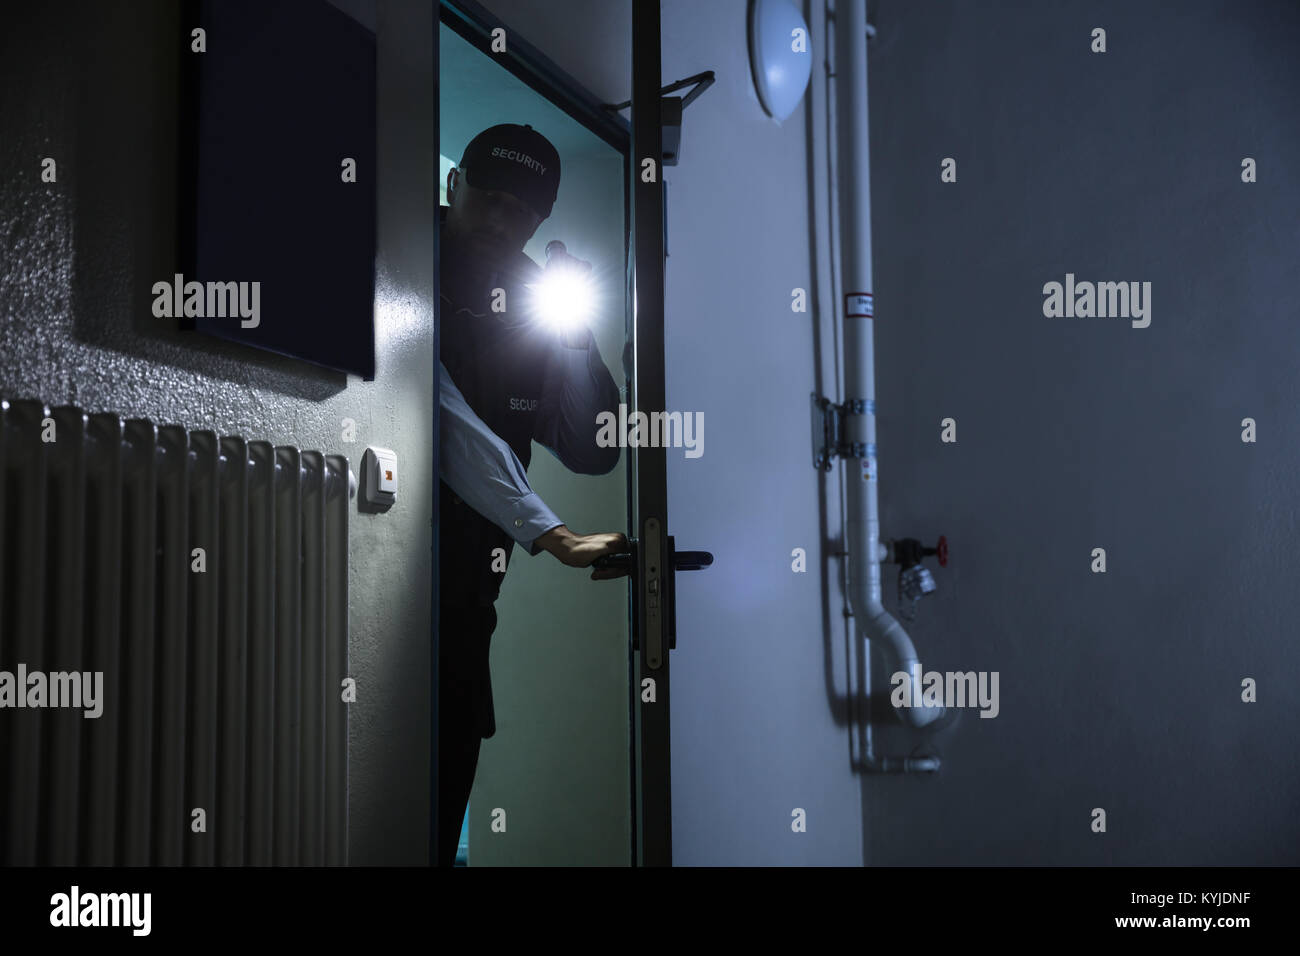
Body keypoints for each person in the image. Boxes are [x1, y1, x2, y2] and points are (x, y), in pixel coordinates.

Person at [437, 123, 629, 866]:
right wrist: (551, 533)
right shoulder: (398, 253)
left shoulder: (531, 297)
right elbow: (438, 413)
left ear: (540, 221)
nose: (499, 221)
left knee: (450, 749)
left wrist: (579, 340)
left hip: (469, 587)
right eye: (486, 198)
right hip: (370, 554)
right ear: (454, 183)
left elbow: (593, 449)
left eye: (520, 212)